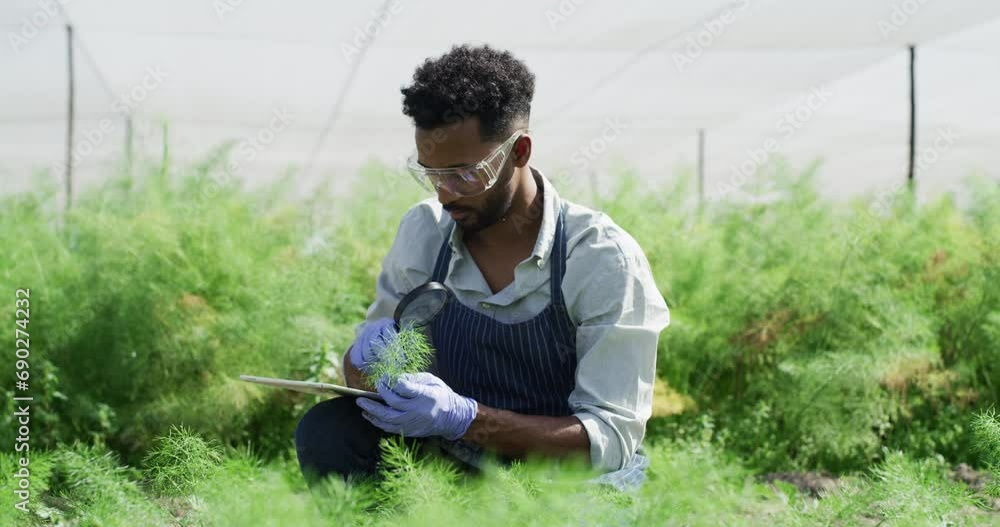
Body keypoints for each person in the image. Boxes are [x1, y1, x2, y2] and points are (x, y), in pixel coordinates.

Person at [295, 44, 669, 491]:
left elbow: (606, 439)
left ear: (520, 151)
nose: (445, 193)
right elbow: (364, 377)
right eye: (431, 173)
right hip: (453, 463)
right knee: (330, 431)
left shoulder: (601, 258)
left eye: (464, 173)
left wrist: (464, 418)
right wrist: (362, 361)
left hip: (569, 485)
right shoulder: (425, 231)